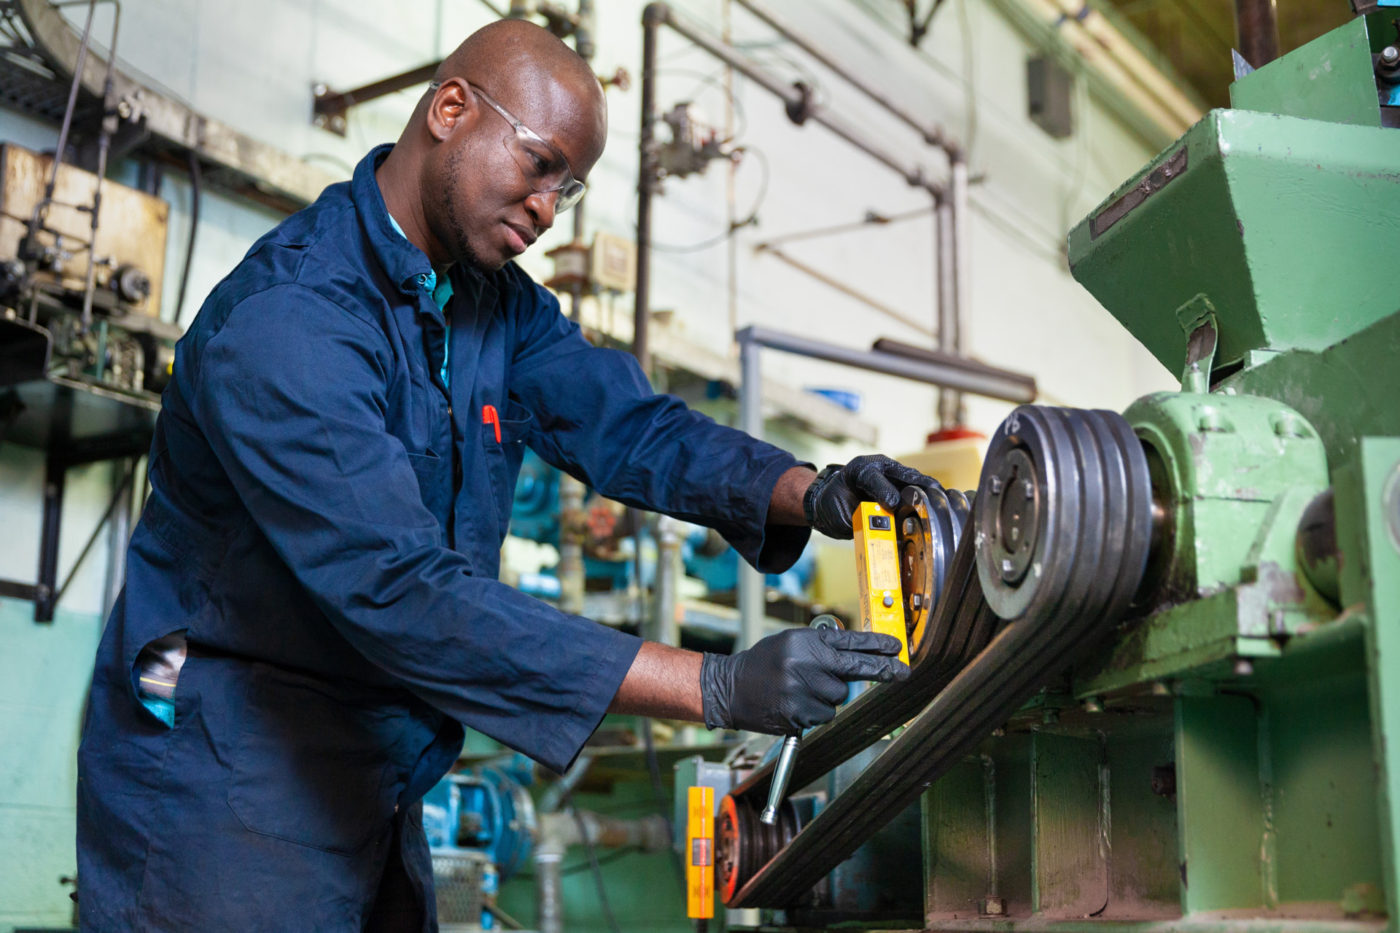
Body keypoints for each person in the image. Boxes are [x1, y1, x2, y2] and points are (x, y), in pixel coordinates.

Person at [75, 18, 942, 932]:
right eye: (539, 165)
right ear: (450, 108)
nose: (547, 209)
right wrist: (715, 686)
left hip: (377, 771)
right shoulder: (291, 320)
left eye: (568, 189)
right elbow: (403, 591)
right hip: (222, 786)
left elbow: (625, 422)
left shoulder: (486, 304)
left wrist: (810, 489)